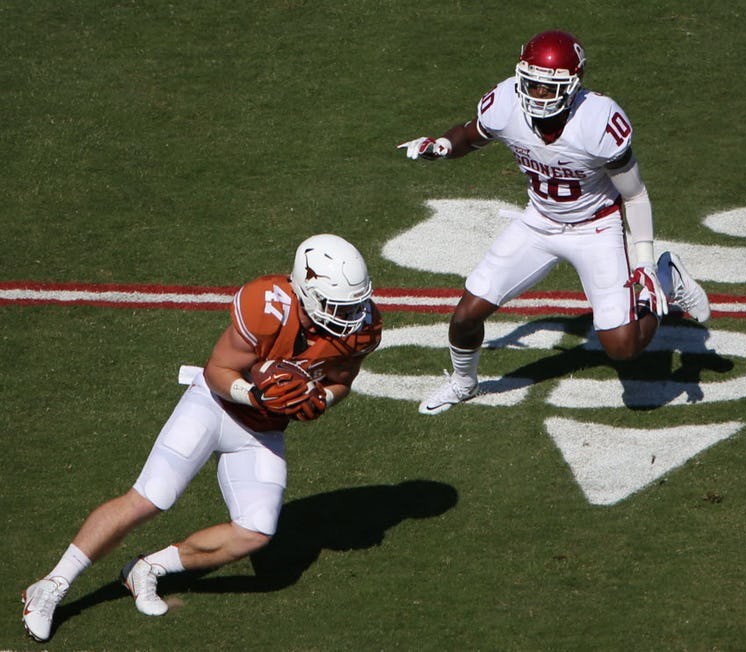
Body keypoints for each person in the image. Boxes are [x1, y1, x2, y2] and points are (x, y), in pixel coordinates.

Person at [21, 234, 382, 642]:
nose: (352, 314)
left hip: (261, 432)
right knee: (151, 497)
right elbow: (218, 370)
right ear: (304, 288)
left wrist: (322, 400)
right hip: (214, 406)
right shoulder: (265, 304)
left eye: (355, 302)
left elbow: (342, 381)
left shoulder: (364, 326)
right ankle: (50, 585)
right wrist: (256, 394)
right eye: (338, 305)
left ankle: (146, 569)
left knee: (255, 530)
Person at [398, 29, 711, 415]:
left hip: (596, 228)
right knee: (465, 317)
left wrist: (644, 262)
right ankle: (464, 384)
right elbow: (470, 135)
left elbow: (634, 195)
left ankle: (666, 278)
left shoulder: (597, 121)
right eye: (530, 84)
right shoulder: (507, 103)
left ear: (572, 87)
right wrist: (443, 147)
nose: (536, 95)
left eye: (548, 88)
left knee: (622, 347)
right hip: (539, 222)